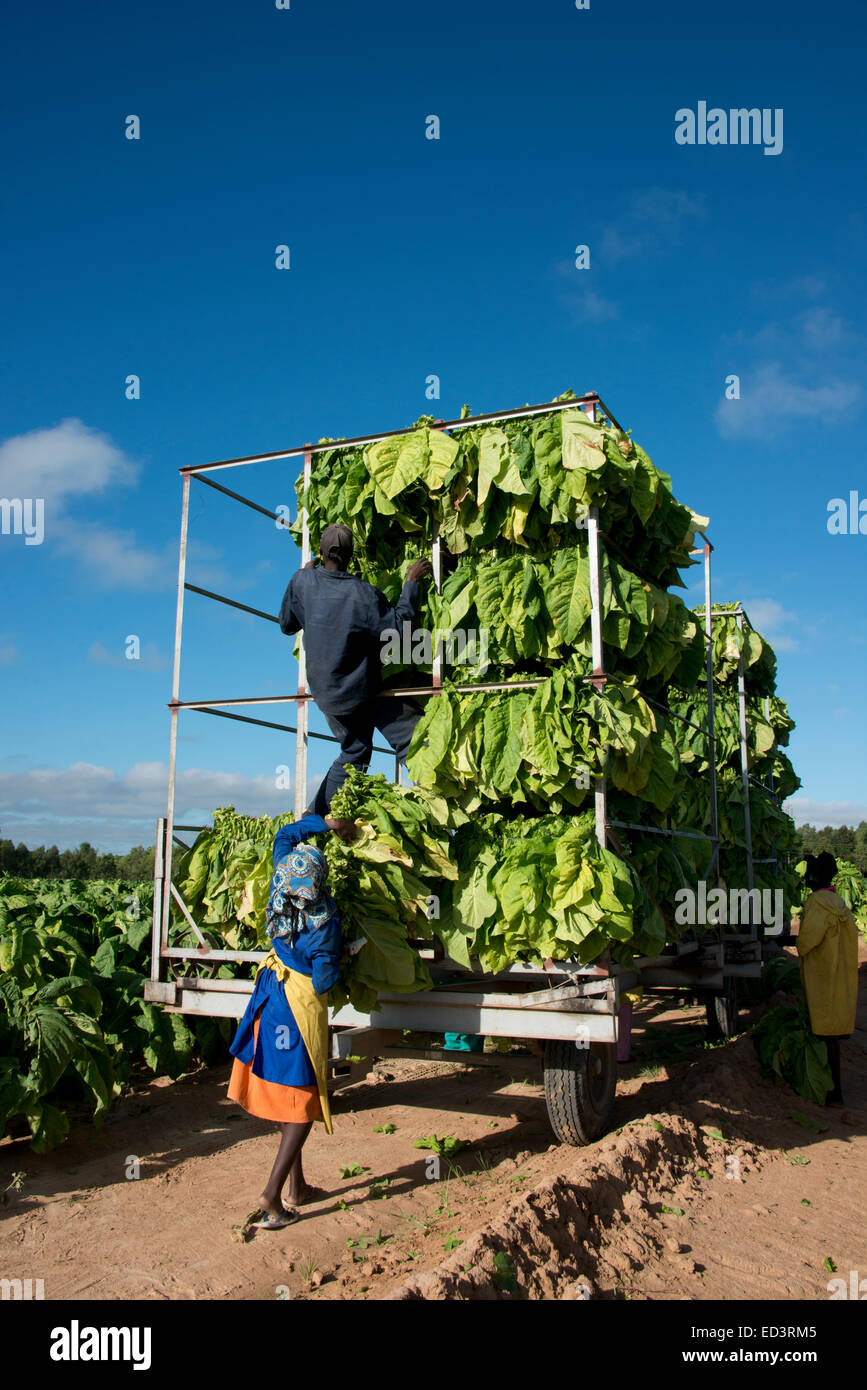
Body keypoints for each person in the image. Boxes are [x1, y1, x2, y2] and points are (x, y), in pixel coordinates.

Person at [227, 811, 356, 1228]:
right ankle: (271, 1196)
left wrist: (325, 825)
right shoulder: (326, 923)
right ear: (318, 881)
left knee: (288, 1094)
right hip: (297, 1009)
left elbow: (286, 833)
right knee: (303, 1104)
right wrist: (344, 955)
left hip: (269, 997)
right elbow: (324, 981)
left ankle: (297, 1187)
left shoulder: (279, 883)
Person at [278, 523, 432, 816]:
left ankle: (315, 817)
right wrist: (411, 582)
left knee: (355, 750)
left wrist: (306, 574)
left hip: (328, 695)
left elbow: (287, 624)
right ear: (352, 556)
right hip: (364, 691)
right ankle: (440, 797)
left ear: (321, 553)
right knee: (414, 741)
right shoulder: (362, 593)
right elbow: (400, 631)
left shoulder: (302, 581)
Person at [796, 852, 858, 1106]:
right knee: (833, 1031)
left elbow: (806, 943)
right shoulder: (838, 903)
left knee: (825, 1033)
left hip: (823, 975)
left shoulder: (817, 904)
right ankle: (834, 1090)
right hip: (840, 973)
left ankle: (834, 1093)